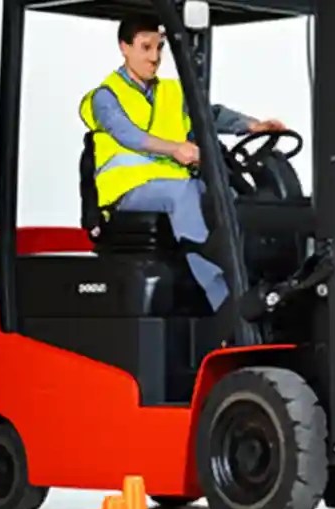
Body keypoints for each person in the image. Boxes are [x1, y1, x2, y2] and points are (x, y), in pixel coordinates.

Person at [77, 14, 288, 311]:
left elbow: (209, 115)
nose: (155, 57)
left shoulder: (172, 92)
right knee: (183, 193)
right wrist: (175, 148)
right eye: (146, 47)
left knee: (224, 194)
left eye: (159, 47)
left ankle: (254, 277)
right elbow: (126, 134)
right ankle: (222, 299)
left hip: (171, 184)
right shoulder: (106, 96)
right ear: (124, 47)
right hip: (125, 192)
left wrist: (253, 126)